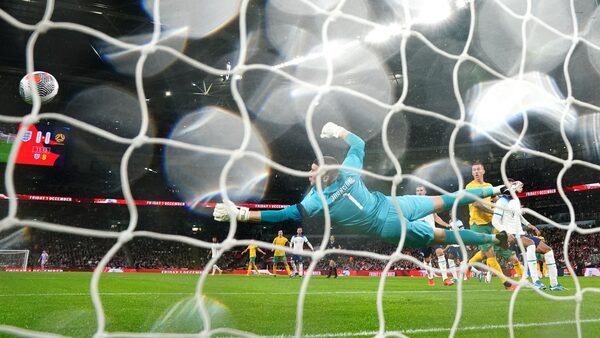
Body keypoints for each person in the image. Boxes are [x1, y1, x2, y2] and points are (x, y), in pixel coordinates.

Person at [213, 122, 517, 251]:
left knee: (444, 234)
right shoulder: (349, 171)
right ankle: (496, 193)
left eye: (313, 171)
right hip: (393, 205)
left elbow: (286, 216)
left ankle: (491, 235)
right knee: (448, 200)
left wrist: (243, 215)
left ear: (325, 174)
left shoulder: (318, 199)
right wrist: (339, 131)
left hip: (387, 223)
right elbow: (357, 143)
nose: (309, 175)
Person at [492, 182, 567, 291]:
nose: (518, 188)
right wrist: (506, 233)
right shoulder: (502, 202)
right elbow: (495, 221)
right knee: (531, 244)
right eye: (514, 185)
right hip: (511, 235)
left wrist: (530, 225)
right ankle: (536, 281)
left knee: (548, 250)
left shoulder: (514, 201)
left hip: (521, 233)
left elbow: (519, 216)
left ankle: (554, 284)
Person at [464, 162, 515, 290]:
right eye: (474, 170)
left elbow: (496, 198)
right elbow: (476, 204)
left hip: (491, 223)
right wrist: (494, 211)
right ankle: (506, 283)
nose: (476, 172)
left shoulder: (489, 186)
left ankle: (469, 264)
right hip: (477, 224)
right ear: (472, 173)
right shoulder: (470, 186)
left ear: (483, 171)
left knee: (487, 251)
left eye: (478, 169)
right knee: (490, 253)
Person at [415, 185, 454, 286]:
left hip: (433, 233)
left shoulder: (430, 204)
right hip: (421, 236)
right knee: (427, 260)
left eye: (421, 190)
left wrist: (447, 225)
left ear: (425, 192)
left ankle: (445, 278)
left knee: (440, 252)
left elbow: (436, 218)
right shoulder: (414, 205)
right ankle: (430, 277)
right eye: (418, 191)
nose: (419, 192)